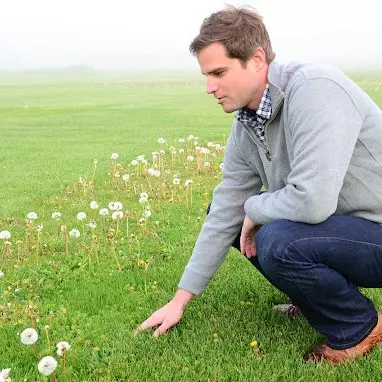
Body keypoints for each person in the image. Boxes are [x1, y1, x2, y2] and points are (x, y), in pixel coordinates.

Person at [138, 5, 382, 363]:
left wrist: (254, 209)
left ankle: (358, 326)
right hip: (345, 229)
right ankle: (315, 298)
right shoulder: (247, 124)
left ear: (256, 60)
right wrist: (180, 300)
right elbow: (224, 211)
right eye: (206, 75)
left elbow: (312, 201)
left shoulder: (316, 91)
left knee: (279, 241)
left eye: (219, 72)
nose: (209, 87)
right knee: (239, 219)